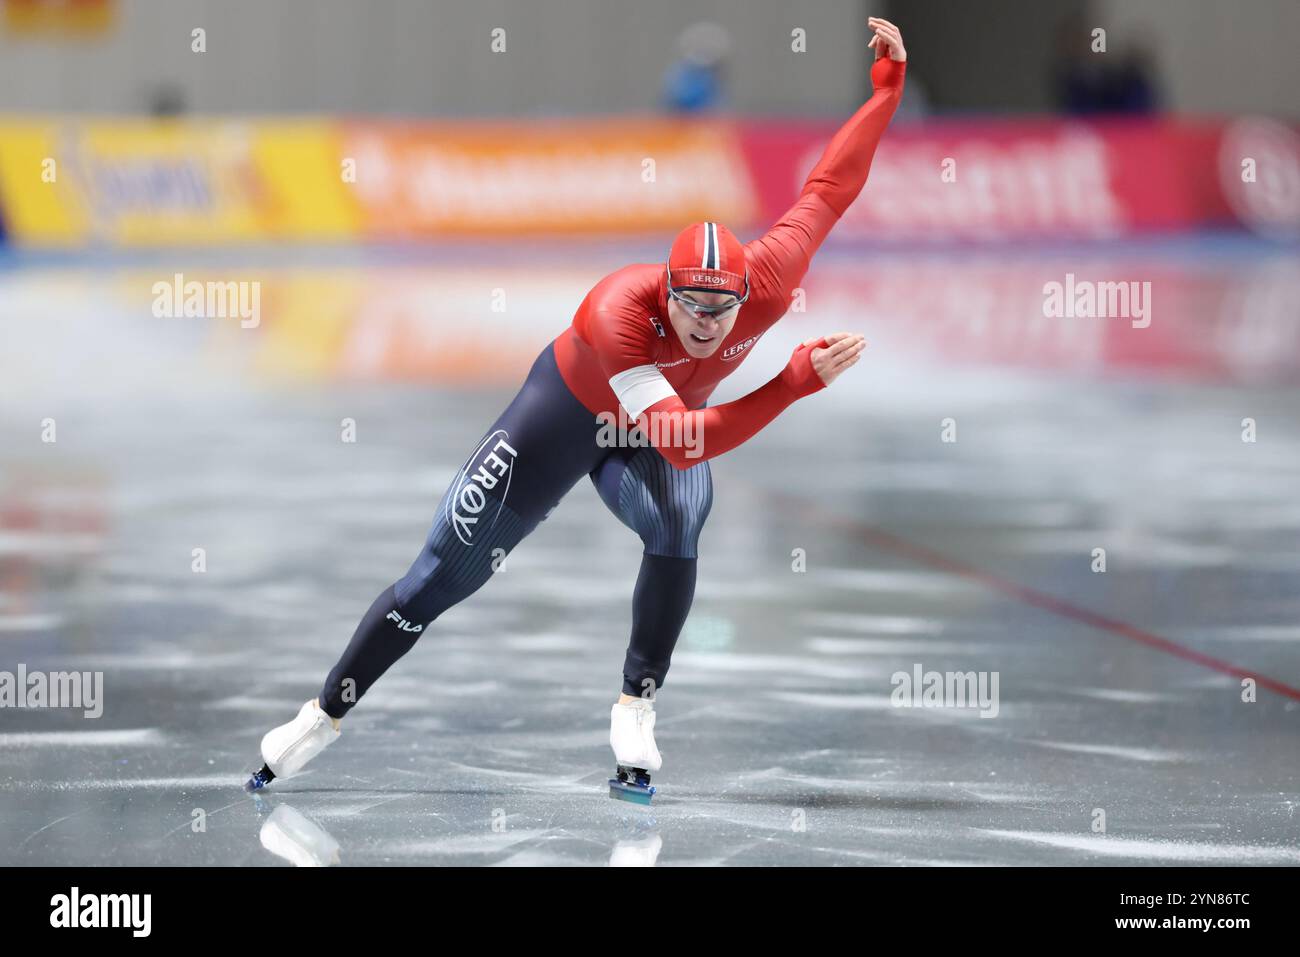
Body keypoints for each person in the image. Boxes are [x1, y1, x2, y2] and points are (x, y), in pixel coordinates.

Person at [247, 17, 908, 801]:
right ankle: (322, 714)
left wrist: (886, 92)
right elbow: (686, 440)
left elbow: (831, 186)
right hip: (561, 418)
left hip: (644, 433)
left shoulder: (768, 278)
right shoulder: (619, 313)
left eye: (720, 310)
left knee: (679, 517)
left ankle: (636, 702)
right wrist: (792, 381)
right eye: (689, 305)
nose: (705, 323)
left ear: (747, 297)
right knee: (437, 581)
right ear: (665, 292)